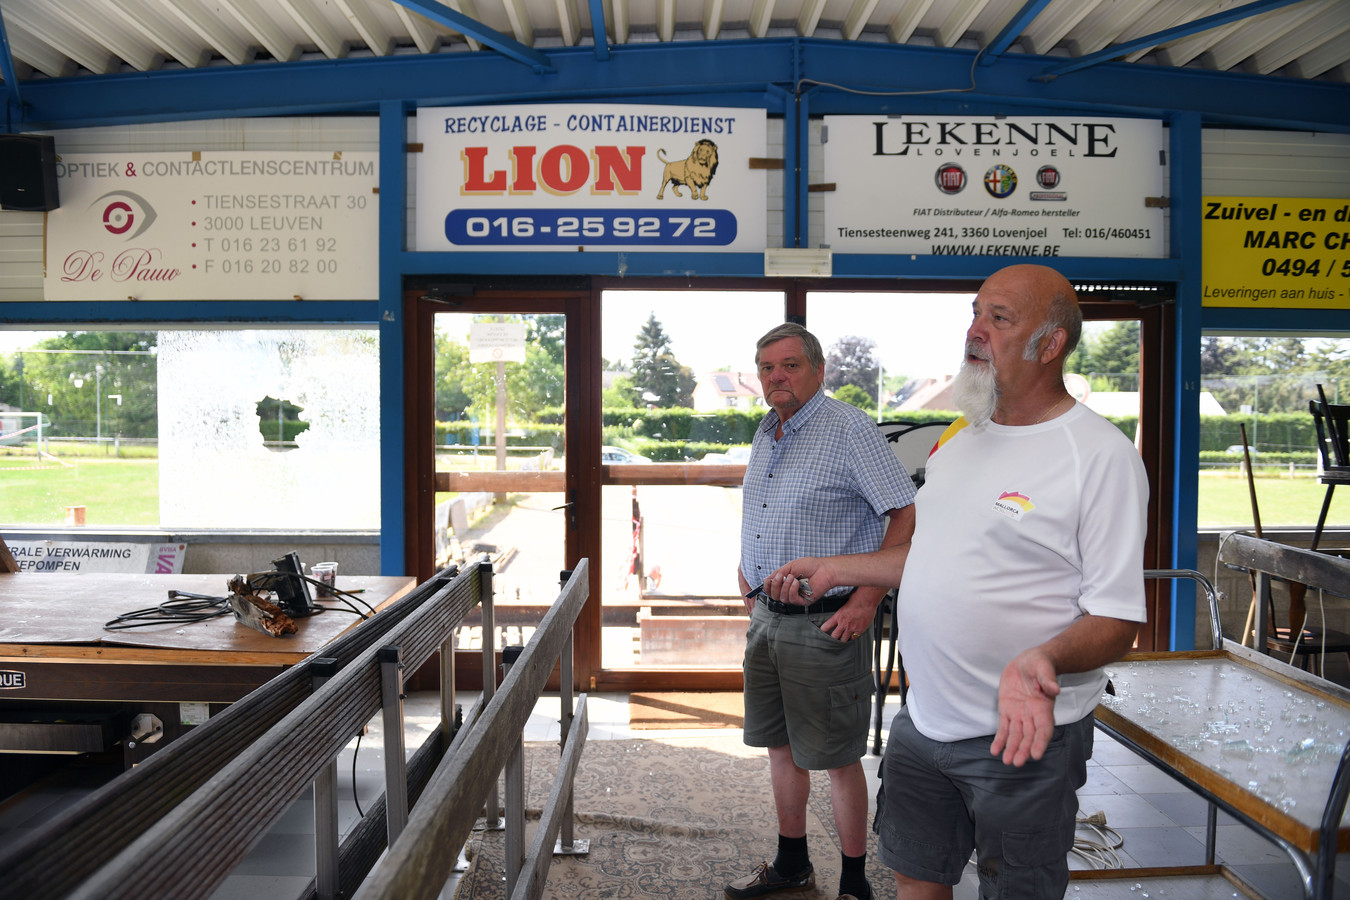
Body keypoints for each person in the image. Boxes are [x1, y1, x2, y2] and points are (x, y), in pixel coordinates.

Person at [765, 264, 1149, 900]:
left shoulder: (1099, 456)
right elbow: (929, 554)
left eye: (999, 319)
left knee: (1014, 890)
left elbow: (1117, 620)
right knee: (916, 877)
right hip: (924, 721)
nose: (975, 331)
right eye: (975, 313)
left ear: (1049, 344)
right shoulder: (962, 435)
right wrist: (841, 569)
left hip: (1021, 737)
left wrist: (1042, 659)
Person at [728, 323, 916, 900]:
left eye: (789, 365)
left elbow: (904, 517)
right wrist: (746, 569)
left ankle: (856, 884)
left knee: (837, 759)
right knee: (780, 749)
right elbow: (766, 509)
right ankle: (793, 865)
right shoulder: (768, 430)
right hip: (767, 620)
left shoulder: (849, 429)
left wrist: (866, 599)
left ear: (818, 370)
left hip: (828, 622)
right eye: (766, 368)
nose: (776, 377)